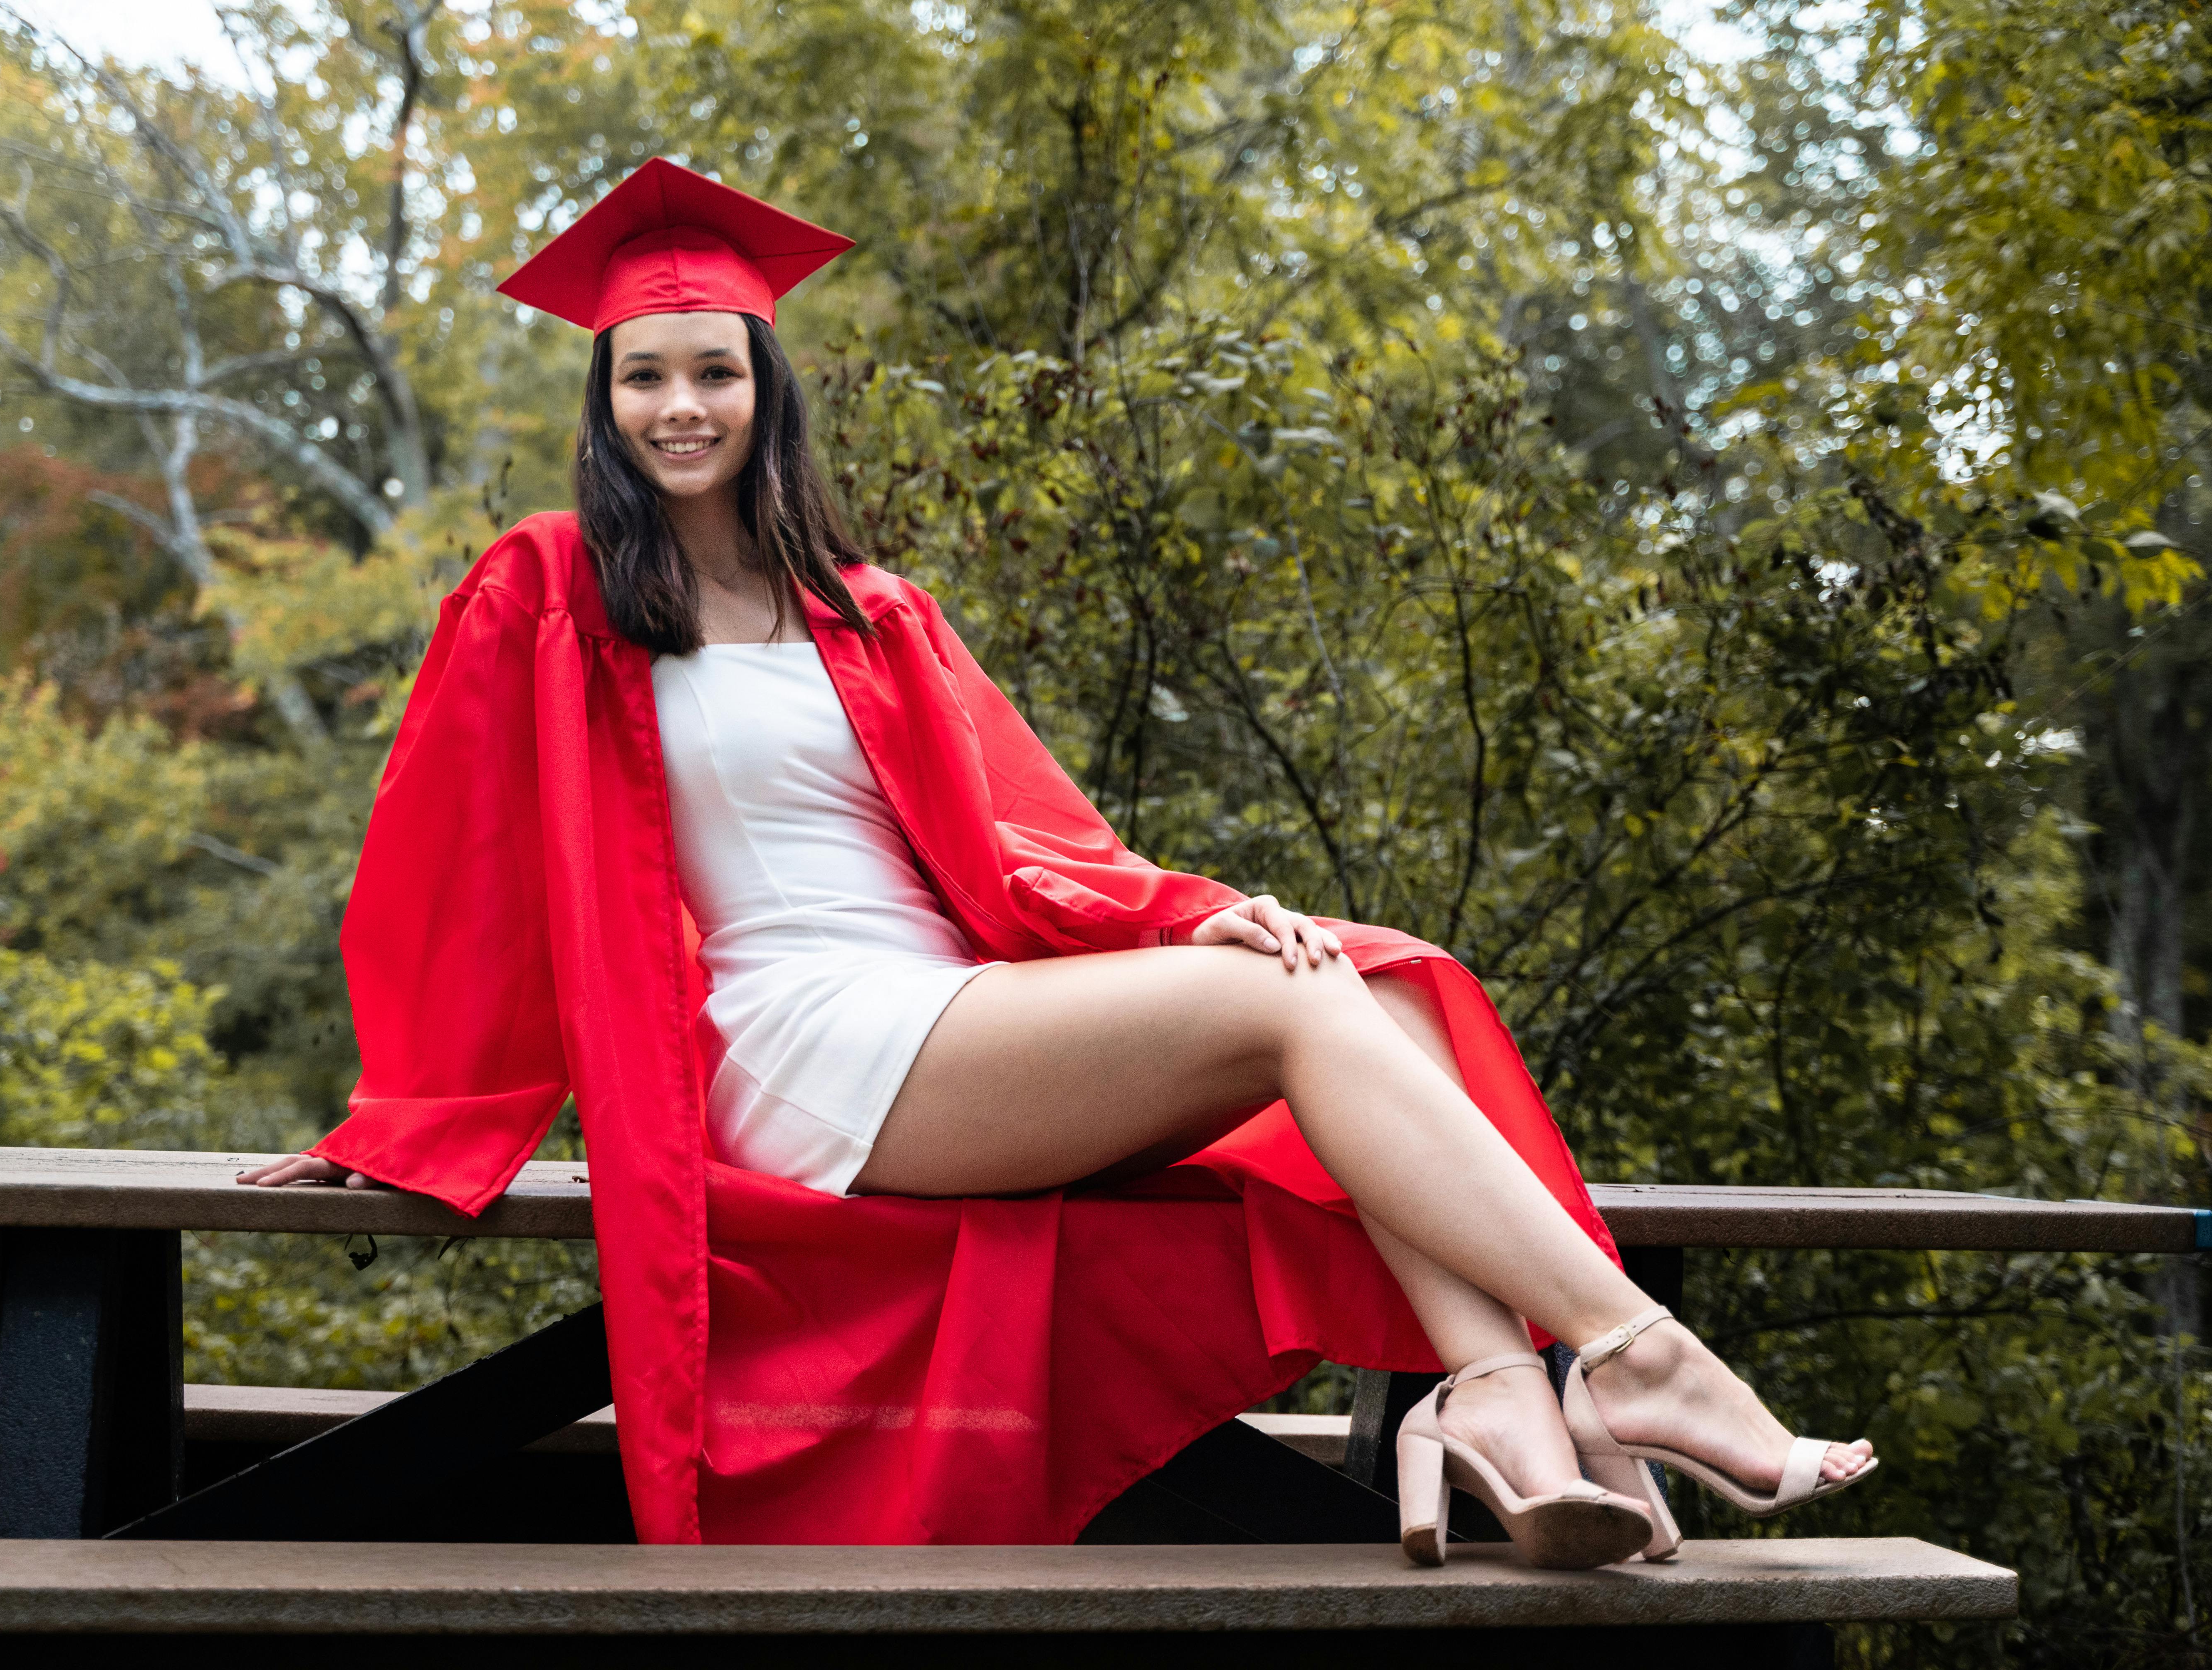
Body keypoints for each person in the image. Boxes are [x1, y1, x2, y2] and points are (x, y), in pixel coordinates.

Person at [237, 159, 1873, 1562]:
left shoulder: (872, 615)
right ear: (601, 397)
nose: (681, 407)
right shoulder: (547, 596)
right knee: (1295, 1015)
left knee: (1369, 982)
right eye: (644, 376)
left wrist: (1201, 910)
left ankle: (1505, 1402)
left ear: (766, 387)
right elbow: (449, 866)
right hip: (791, 1047)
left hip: (943, 1018)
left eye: (714, 374)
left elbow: (1034, 845)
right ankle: (1632, 1352)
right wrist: (403, 1118)